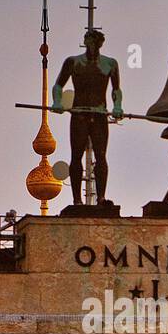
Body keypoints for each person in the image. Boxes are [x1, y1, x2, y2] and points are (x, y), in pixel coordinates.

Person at [51, 28, 123, 206]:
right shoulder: (73, 62)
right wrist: (57, 102)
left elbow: (116, 90)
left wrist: (118, 106)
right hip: (80, 114)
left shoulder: (110, 64)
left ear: (100, 44)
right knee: (76, 155)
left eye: (94, 42)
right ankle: (77, 200)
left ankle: (101, 197)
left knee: (101, 155)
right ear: (85, 42)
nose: (91, 45)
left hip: (99, 115)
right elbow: (58, 85)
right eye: (88, 41)